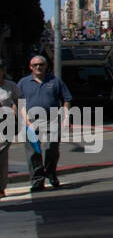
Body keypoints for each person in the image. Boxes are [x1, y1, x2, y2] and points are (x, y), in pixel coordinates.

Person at [17, 54, 73, 191]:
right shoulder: (23, 83)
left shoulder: (55, 81)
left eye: (41, 64)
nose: (38, 67)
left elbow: (66, 99)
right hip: (31, 121)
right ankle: (37, 180)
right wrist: (26, 122)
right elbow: (20, 103)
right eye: (35, 65)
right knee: (33, 152)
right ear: (30, 67)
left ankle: (50, 172)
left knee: (51, 149)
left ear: (46, 66)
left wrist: (66, 118)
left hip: (52, 120)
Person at [0, 63, 21, 198]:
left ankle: (1, 187)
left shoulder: (10, 85)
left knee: (2, 155)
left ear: (2, 71)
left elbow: (17, 102)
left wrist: (17, 115)